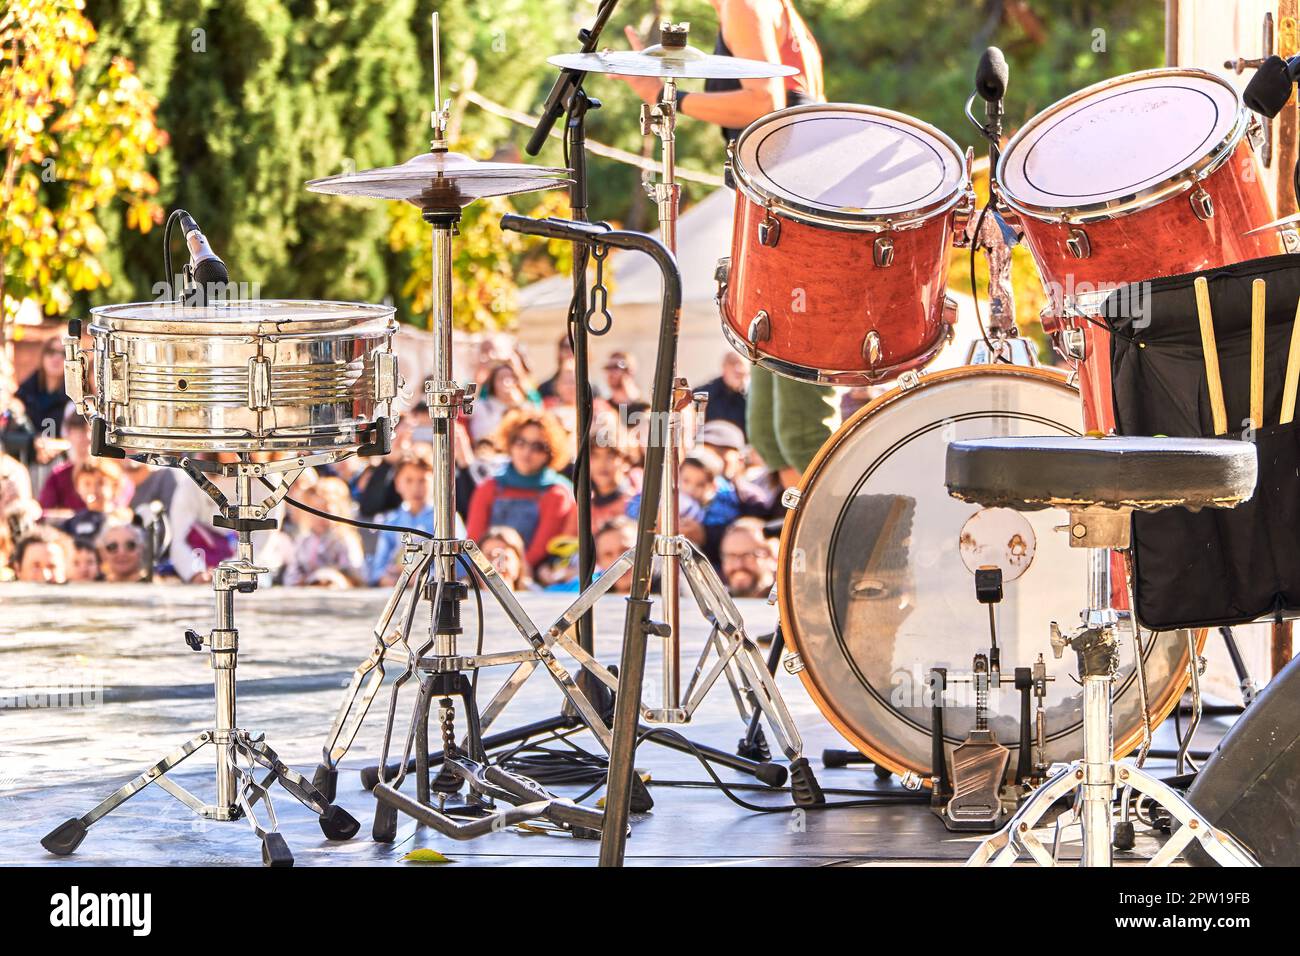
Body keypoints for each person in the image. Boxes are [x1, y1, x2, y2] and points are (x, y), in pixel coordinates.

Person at [622, 2, 838, 490]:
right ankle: (797, 549)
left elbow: (764, 103)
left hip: (789, 214)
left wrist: (668, 97)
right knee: (770, 432)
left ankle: (829, 554)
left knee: (799, 430)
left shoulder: (746, 3)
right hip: (777, 209)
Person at [465, 408, 575, 571]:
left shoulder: (557, 493)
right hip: (484, 577)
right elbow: (473, 544)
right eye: (520, 442)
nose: (527, 452)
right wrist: (488, 576)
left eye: (538, 446)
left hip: (531, 582)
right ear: (510, 442)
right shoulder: (489, 487)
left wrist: (512, 571)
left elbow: (539, 551)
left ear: (551, 451)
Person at [366, 447, 439, 587]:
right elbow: (377, 569)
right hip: (396, 590)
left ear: (435, 482)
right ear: (397, 483)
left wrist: (425, 577)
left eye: (422, 480)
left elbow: (457, 568)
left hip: (433, 592)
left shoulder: (445, 521)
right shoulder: (391, 522)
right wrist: (387, 578)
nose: (415, 488)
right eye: (409, 480)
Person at [283, 476, 366, 587]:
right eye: (315, 510)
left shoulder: (345, 540)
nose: (320, 517)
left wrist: (333, 579)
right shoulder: (304, 541)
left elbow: (357, 574)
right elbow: (292, 574)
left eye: (326, 510)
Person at [17, 337, 71, 438]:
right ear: (43, 356)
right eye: (51, 351)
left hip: (60, 452)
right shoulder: (26, 392)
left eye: (64, 353)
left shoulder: (75, 400)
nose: (57, 357)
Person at [470, 362, 534, 443]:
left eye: (511, 377)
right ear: (493, 383)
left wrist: (516, 402)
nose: (506, 381)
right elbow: (465, 410)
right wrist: (476, 381)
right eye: (501, 378)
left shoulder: (525, 408)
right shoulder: (482, 406)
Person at [719, 517, 779, 598]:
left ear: (774, 559)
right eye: (731, 556)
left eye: (748, 556)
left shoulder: (789, 605)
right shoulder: (716, 603)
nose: (738, 565)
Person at [699, 352, 749, 436]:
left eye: (741, 364)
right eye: (732, 363)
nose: (738, 368)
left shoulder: (750, 398)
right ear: (724, 367)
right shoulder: (706, 393)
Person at [480, 525, 531, 591]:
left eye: (504, 557)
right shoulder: (464, 597)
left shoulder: (538, 595)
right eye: (489, 557)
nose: (496, 565)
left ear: (519, 563)